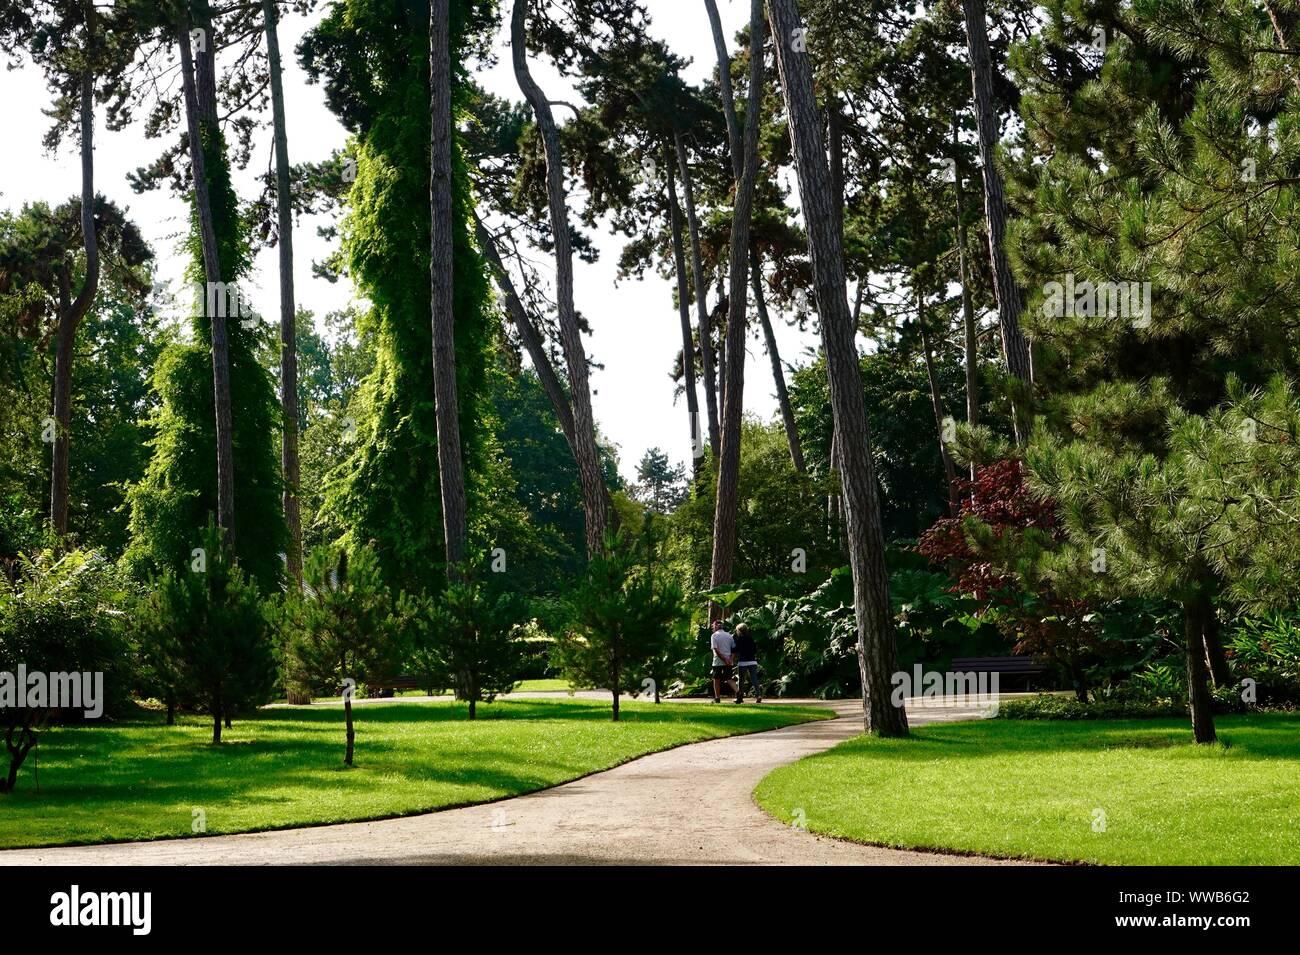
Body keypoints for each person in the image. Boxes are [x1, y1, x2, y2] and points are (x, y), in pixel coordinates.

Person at [709, 619, 737, 703]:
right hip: (728, 661)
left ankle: (717, 697)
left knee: (716, 679)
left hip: (718, 661)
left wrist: (724, 659)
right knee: (729, 678)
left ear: (715, 627)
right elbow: (734, 649)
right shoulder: (729, 635)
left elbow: (716, 649)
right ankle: (738, 691)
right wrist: (730, 659)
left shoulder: (714, 636)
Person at [733, 623, 761, 703]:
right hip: (752, 661)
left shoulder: (739, 639)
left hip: (743, 662)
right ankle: (758, 695)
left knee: (741, 680)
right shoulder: (751, 638)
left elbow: (736, 650)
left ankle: (740, 697)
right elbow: (755, 650)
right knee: (754, 679)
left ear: (739, 631)